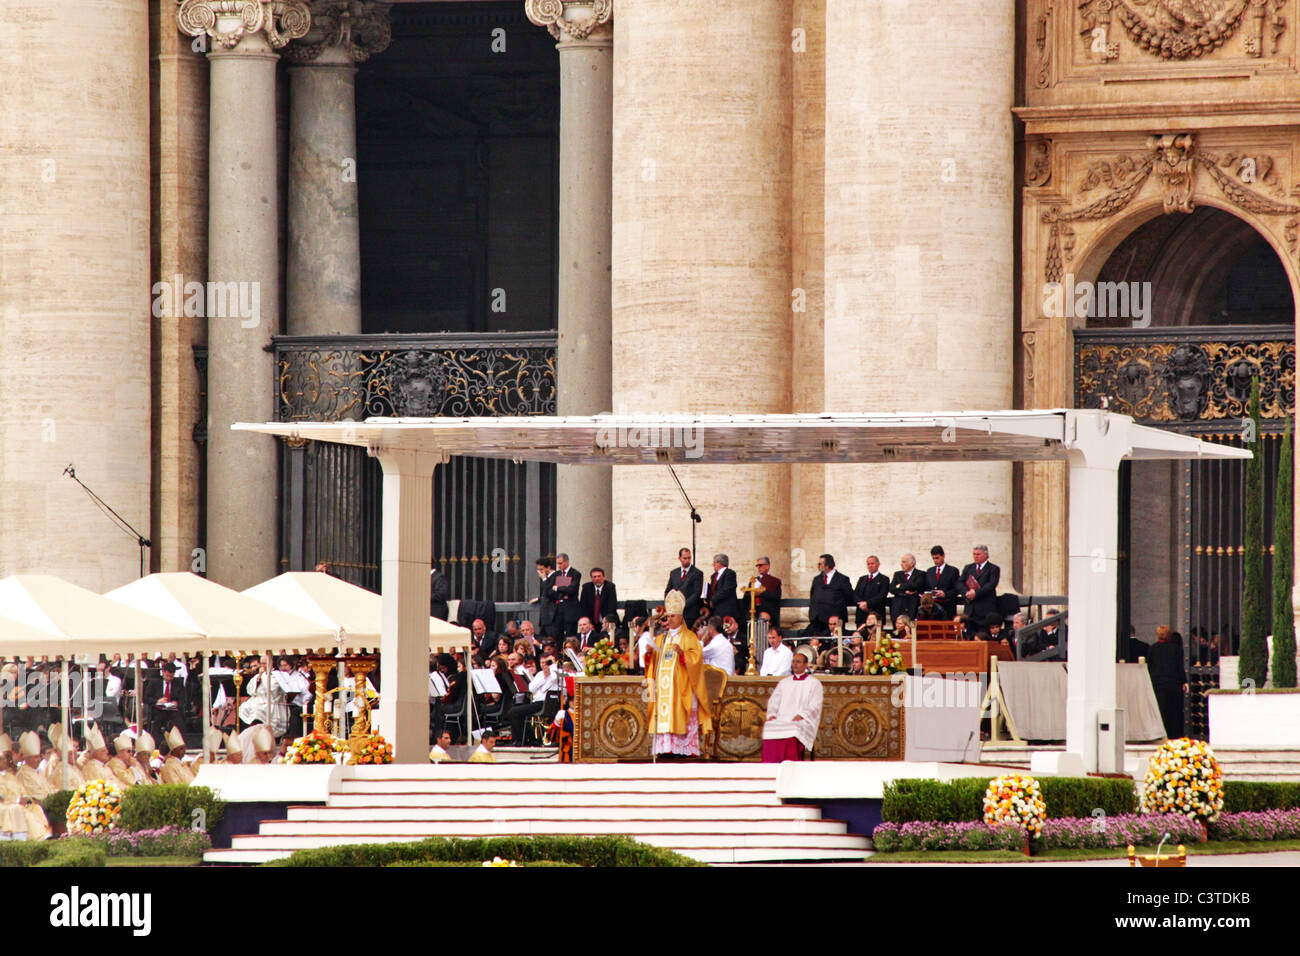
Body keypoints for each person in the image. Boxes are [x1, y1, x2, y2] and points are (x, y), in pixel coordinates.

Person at [643, 590, 712, 758]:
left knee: (680, 714)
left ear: (681, 616)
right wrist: (649, 654)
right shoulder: (661, 639)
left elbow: (696, 660)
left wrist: (682, 654)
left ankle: (683, 750)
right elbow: (651, 666)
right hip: (664, 691)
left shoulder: (690, 637)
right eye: (669, 616)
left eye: (674, 616)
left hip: (682, 689)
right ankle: (666, 749)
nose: (670, 619)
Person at [761, 647, 824, 763]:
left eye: (798, 662)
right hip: (782, 718)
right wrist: (772, 715)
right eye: (793, 662)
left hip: (801, 720)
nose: (795, 664)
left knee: (794, 728)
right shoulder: (784, 682)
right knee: (769, 726)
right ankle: (770, 766)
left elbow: (815, 705)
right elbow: (774, 701)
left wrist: (802, 715)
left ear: (806, 665)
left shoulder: (814, 683)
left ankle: (791, 764)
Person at [510, 654, 558, 745]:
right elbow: (531, 688)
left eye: (547, 662)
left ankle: (523, 740)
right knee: (514, 711)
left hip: (548, 703)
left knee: (514, 712)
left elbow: (555, 679)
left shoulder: (555, 673)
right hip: (537, 703)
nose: (544, 665)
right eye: (542, 663)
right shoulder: (540, 674)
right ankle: (524, 738)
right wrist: (544, 677)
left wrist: (552, 667)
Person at [1147, 626, 1186, 739]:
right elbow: (1179, 667)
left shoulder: (1153, 648)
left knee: (1161, 709)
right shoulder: (1176, 649)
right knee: (1174, 711)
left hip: (1158, 683)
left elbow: (1149, 666)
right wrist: (1184, 681)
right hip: (1173, 684)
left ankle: (1161, 734)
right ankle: (1174, 734)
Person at [808, 554, 854, 635]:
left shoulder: (842, 579)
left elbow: (849, 596)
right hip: (817, 620)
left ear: (827, 565)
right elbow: (813, 596)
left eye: (820, 564)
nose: (818, 566)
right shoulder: (817, 579)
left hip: (833, 621)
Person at [145, 661, 188, 743]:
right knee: (158, 720)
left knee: (179, 721)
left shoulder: (178, 683)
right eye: (167, 676)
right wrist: (157, 701)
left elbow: (183, 699)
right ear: (163, 672)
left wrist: (177, 703)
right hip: (159, 709)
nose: (169, 679)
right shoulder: (154, 682)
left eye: (171, 677)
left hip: (172, 709)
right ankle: (157, 743)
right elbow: (146, 698)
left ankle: (179, 742)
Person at [958, 545, 1001, 624]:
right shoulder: (968, 568)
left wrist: (976, 593)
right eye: (974, 554)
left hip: (985, 609)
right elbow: (960, 582)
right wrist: (966, 593)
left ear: (986, 555)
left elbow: (991, 585)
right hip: (970, 609)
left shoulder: (993, 569)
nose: (975, 556)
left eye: (978, 554)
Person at [664, 548, 705, 626]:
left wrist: (682, 605)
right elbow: (668, 590)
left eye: (689, 558)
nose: (687, 560)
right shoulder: (674, 573)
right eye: (685, 558)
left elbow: (696, 593)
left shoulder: (697, 573)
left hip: (689, 613)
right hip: (674, 614)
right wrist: (669, 605)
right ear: (679, 558)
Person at [923, 546, 960, 620]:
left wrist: (945, 594)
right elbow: (926, 587)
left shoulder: (953, 571)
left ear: (943, 556)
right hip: (933, 609)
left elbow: (957, 589)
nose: (935, 560)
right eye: (933, 558)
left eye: (937, 558)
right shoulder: (930, 571)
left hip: (947, 607)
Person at [853, 555, 890, 628]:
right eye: (868, 564)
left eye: (872, 563)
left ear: (878, 564)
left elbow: (882, 595)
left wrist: (868, 604)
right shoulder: (862, 579)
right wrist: (861, 604)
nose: (870, 566)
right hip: (861, 615)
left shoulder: (884, 579)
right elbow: (855, 594)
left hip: (876, 613)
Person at [700, 554, 740, 622]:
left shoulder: (730, 573)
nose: (713, 564)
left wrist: (713, 600)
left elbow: (726, 590)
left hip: (726, 610)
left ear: (720, 563)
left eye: (714, 562)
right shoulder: (713, 576)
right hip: (715, 610)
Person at [551, 553, 582, 637]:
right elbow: (550, 590)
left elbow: (571, 589)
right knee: (557, 634)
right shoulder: (556, 574)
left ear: (567, 562)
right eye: (557, 563)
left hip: (570, 609)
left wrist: (558, 588)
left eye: (560, 563)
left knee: (570, 634)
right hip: (558, 609)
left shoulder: (575, 574)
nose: (558, 566)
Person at [888, 554, 926, 622]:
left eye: (904, 562)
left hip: (913, 608)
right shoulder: (897, 574)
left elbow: (915, 585)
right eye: (901, 562)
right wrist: (904, 592)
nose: (901, 564)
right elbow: (891, 588)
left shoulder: (920, 574)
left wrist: (899, 586)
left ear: (912, 564)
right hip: (898, 609)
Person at [746, 556, 782, 625]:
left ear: (767, 566)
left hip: (767, 612)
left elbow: (776, 595)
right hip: (753, 611)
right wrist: (751, 594)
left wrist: (761, 593)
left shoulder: (775, 581)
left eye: (760, 565)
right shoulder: (753, 580)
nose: (758, 567)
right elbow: (746, 596)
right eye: (757, 565)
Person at [531, 555, 559, 639]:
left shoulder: (557, 576)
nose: (540, 572)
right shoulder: (546, 578)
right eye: (538, 569)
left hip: (552, 617)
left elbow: (553, 594)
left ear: (549, 567)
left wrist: (544, 579)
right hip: (544, 617)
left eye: (542, 569)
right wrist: (539, 599)